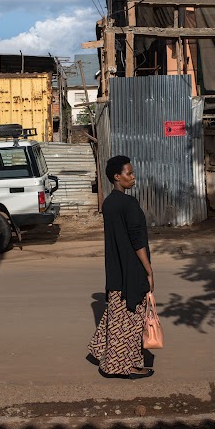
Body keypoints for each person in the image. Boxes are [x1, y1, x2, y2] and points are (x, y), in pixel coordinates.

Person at [88, 155, 154, 379]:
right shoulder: (128, 203)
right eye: (129, 173)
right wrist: (148, 270)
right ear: (117, 177)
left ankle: (112, 359)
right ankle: (123, 366)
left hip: (115, 270)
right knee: (132, 320)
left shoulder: (108, 203)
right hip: (131, 270)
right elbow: (137, 241)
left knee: (118, 319)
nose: (133, 177)